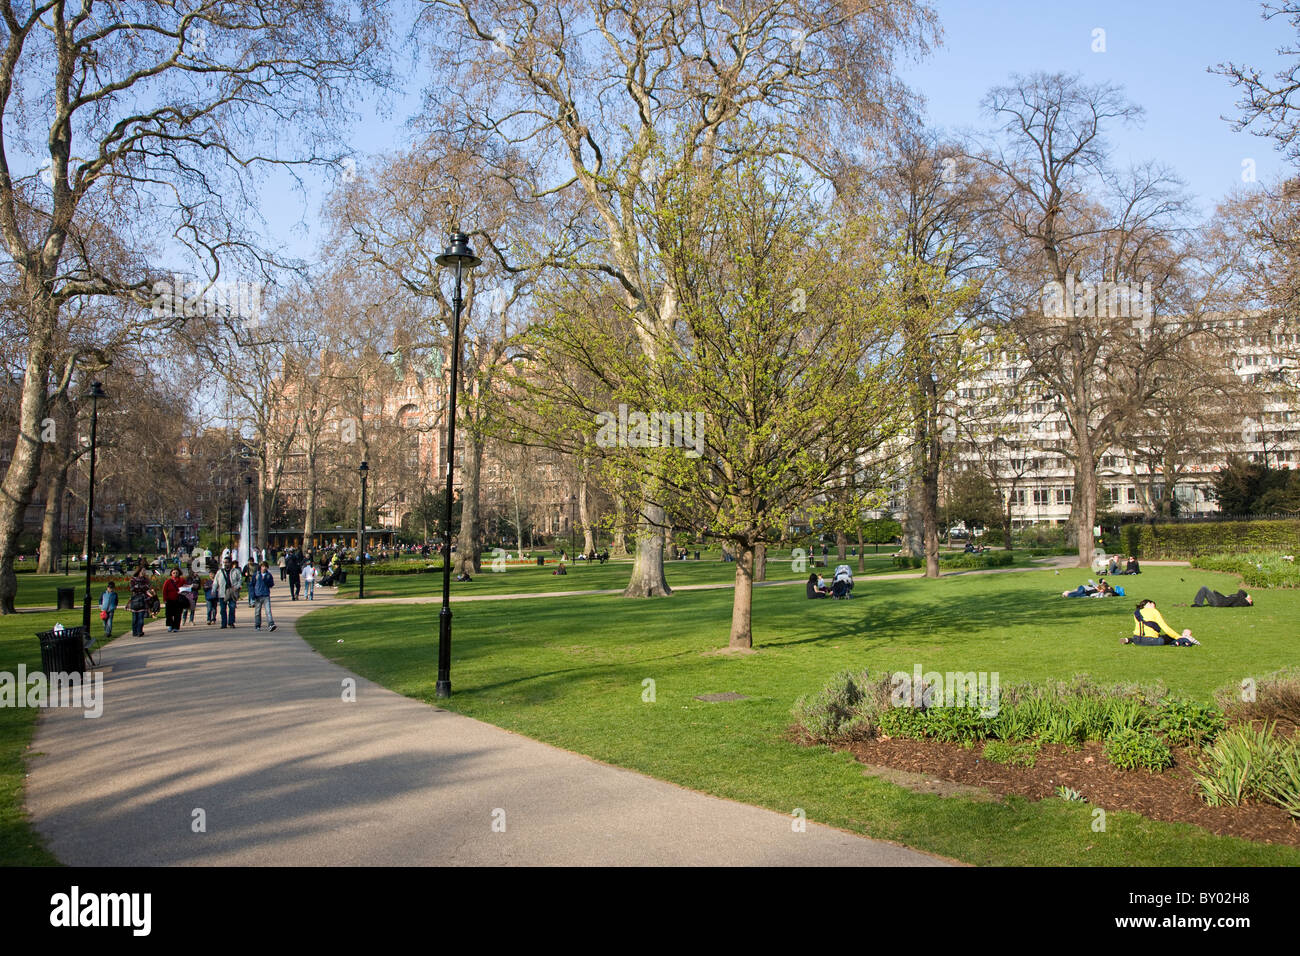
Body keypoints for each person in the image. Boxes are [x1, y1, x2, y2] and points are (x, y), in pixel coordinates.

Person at [1123, 599, 1199, 646]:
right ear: (1149, 604)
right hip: (1149, 640)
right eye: (1154, 605)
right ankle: (1182, 640)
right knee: (1168, 637)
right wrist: (1178, 637)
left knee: (1162, 636)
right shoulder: (1154, 611)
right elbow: (1165, 627)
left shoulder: (1137, 612)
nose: (1155, 607)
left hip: (1137, 639)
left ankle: (1130, 640)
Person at [213, 556, 242, 629]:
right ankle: (224, 623)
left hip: (232, 592)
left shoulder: (236, 571)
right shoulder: (220, 572)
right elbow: (215, 582)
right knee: (223, 609)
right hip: (222, 593)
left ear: (230, 563)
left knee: (232, 608)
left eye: (227, 562)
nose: (225, 564)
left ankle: (231, 622)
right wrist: (213, 590)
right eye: (224, 562)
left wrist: (237, 586)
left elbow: (240, 580)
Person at [249, 560, 277, 631]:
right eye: (262, 566)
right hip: (258, 595)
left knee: (268, 611)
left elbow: (271, 584)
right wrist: (252, 595)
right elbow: (252, 585)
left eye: (265, 567)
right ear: (260, 567)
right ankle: (257, 625)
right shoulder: (256, 575)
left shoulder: (268, 575)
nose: (264, 568)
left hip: (265, 595)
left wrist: (266, 581)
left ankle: (271, 624)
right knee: (257, 612)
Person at [128, 565, 152, 637]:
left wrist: (139, 587)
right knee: (135, 618)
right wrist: (140, 587)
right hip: (135, 599)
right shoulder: (133, 579)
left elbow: (147, 587)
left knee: (141, 618)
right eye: (143, 571)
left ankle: (139, 631)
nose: (144, 572)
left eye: (145, 571)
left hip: (143, 599)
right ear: (139, 571)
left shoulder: (146, 579)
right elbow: (132, 588)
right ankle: (134, 631)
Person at [162, 568, 186, 632]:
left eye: (176, 573)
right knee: (168, 614)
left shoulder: (182, 580)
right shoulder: (168, 581)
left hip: (178, 600)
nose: (175, 574)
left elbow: (185, 589)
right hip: (169, 600)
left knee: (177, 614)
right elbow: (164, 591)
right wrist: (164, 599)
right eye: (174, 573)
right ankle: (170, 625)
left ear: (179, 573)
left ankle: (176, 627)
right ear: (171, 574)